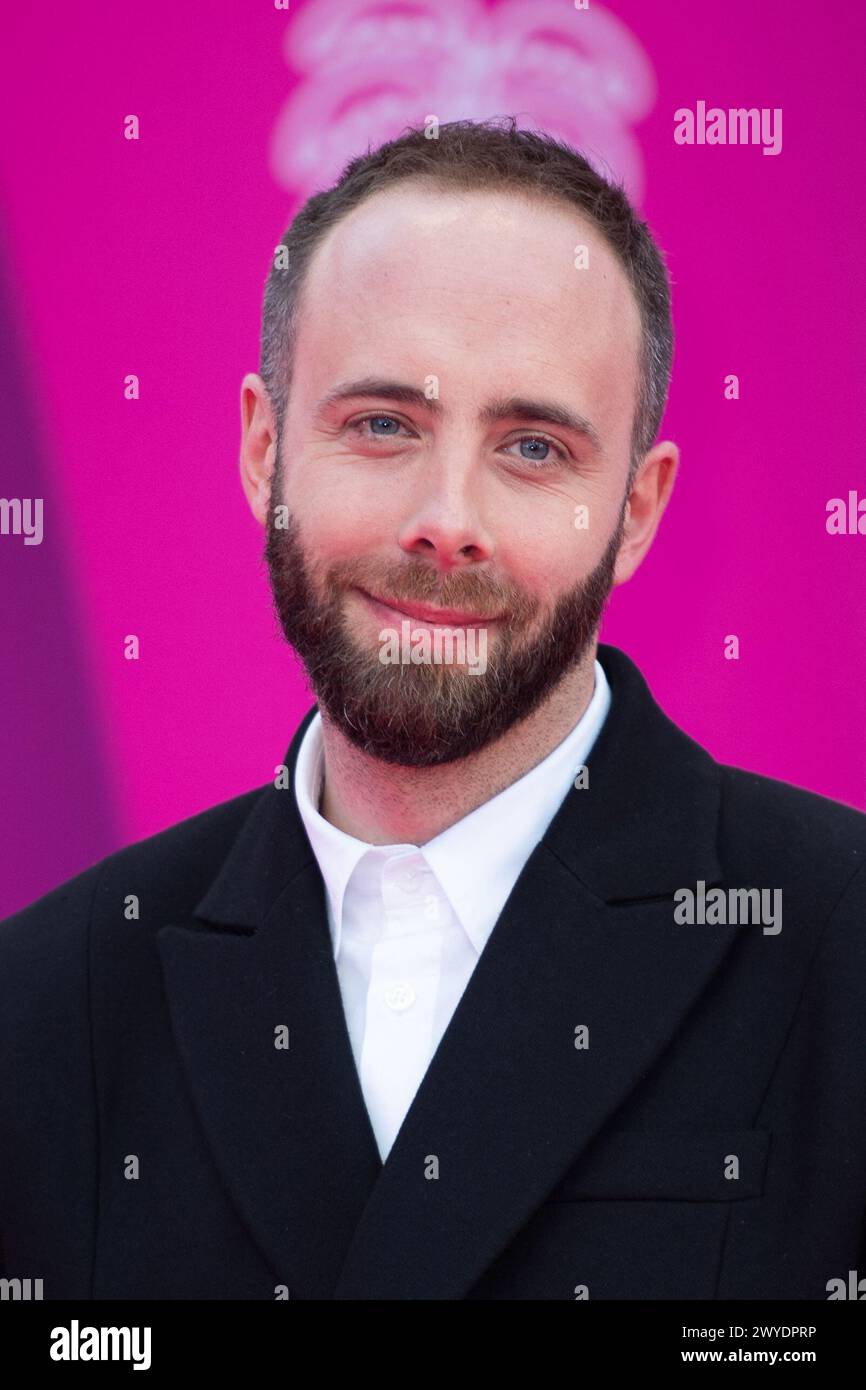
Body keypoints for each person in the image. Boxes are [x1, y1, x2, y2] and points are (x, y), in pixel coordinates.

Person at [1, 118, 864, 1301]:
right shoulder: (47, 1005)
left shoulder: (838, 948)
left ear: (635, 510)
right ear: (264, 451)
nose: (445, 516)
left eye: (531, 446)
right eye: (383, 425)